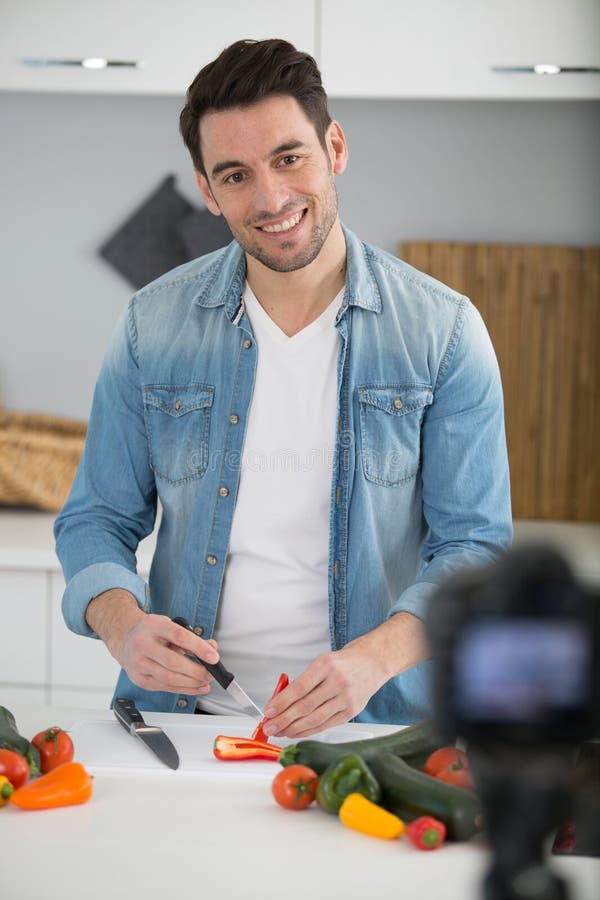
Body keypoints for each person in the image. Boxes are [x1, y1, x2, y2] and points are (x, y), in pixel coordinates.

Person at [54, 38, 512, 738]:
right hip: (184, 726)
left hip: (376, 726)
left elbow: (476, 547)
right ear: (207, 190)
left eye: (289, 158)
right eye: (235, 175)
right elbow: (95, 520)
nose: (270, 198)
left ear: (335, 148)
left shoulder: (444, 331)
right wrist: (122, 628)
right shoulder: (152, 325)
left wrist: (371, 659)